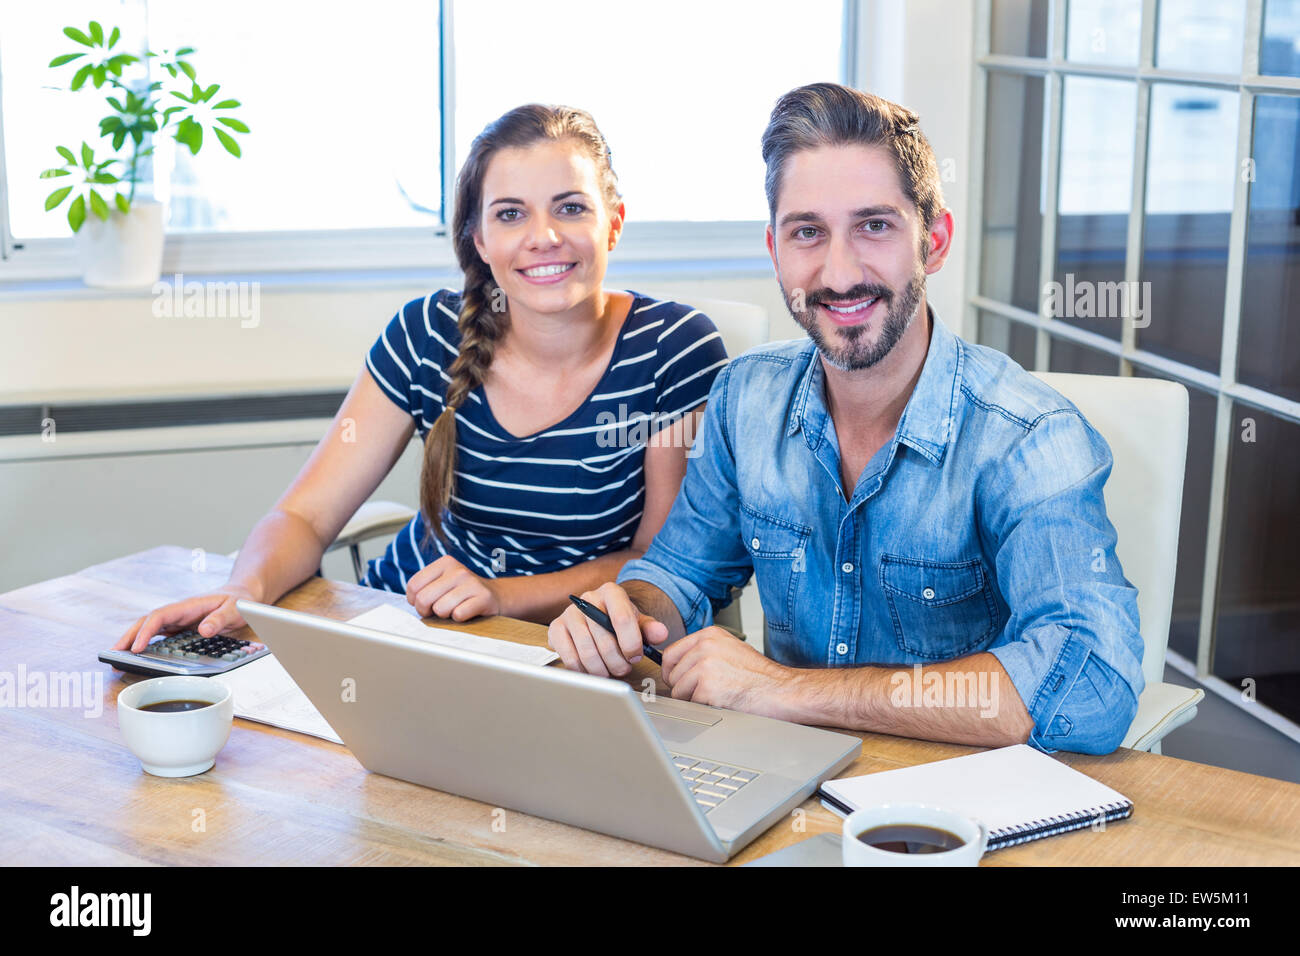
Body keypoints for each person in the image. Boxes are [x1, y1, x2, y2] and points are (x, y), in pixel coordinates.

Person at [547, 83, 1145, 756]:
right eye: (808, 232)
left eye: (875, 226)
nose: (838, 272)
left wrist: (784, 690)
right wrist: (623, 614)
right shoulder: (746, 398)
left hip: (955, 811)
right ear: (775, 250)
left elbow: (1093, 686)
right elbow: (682, 572)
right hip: (784, 778)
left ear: (934, 240)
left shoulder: (1029, 438)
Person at [114, 104, 727, 653]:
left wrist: (499, 595)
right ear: (481, 240)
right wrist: (242, 592)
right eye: (511, 214)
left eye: (570, 207)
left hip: (559, 647)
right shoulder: (427, 332)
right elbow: (304, 517)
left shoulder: (673, 347)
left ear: (614, 223)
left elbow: (658, 563)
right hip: (400, 624)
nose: (543, 237)